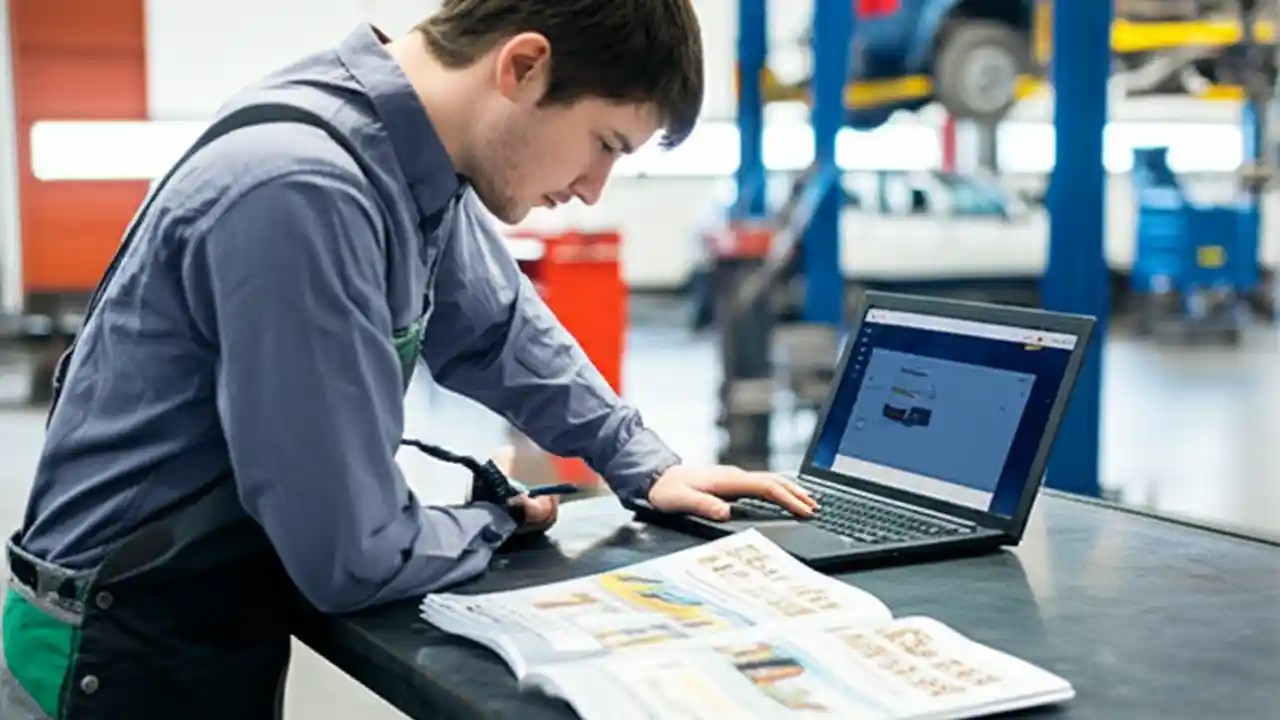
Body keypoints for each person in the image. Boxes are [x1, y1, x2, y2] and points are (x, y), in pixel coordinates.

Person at [1, 1, 818, 718]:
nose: (594, 187)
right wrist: (497, 522)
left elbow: (499, 331)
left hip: (197, 616)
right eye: (603, 143)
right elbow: (350, 557)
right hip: (109, 651)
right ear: (525, 66)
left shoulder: (405, 155)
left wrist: (641, 462)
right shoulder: (305, 188)